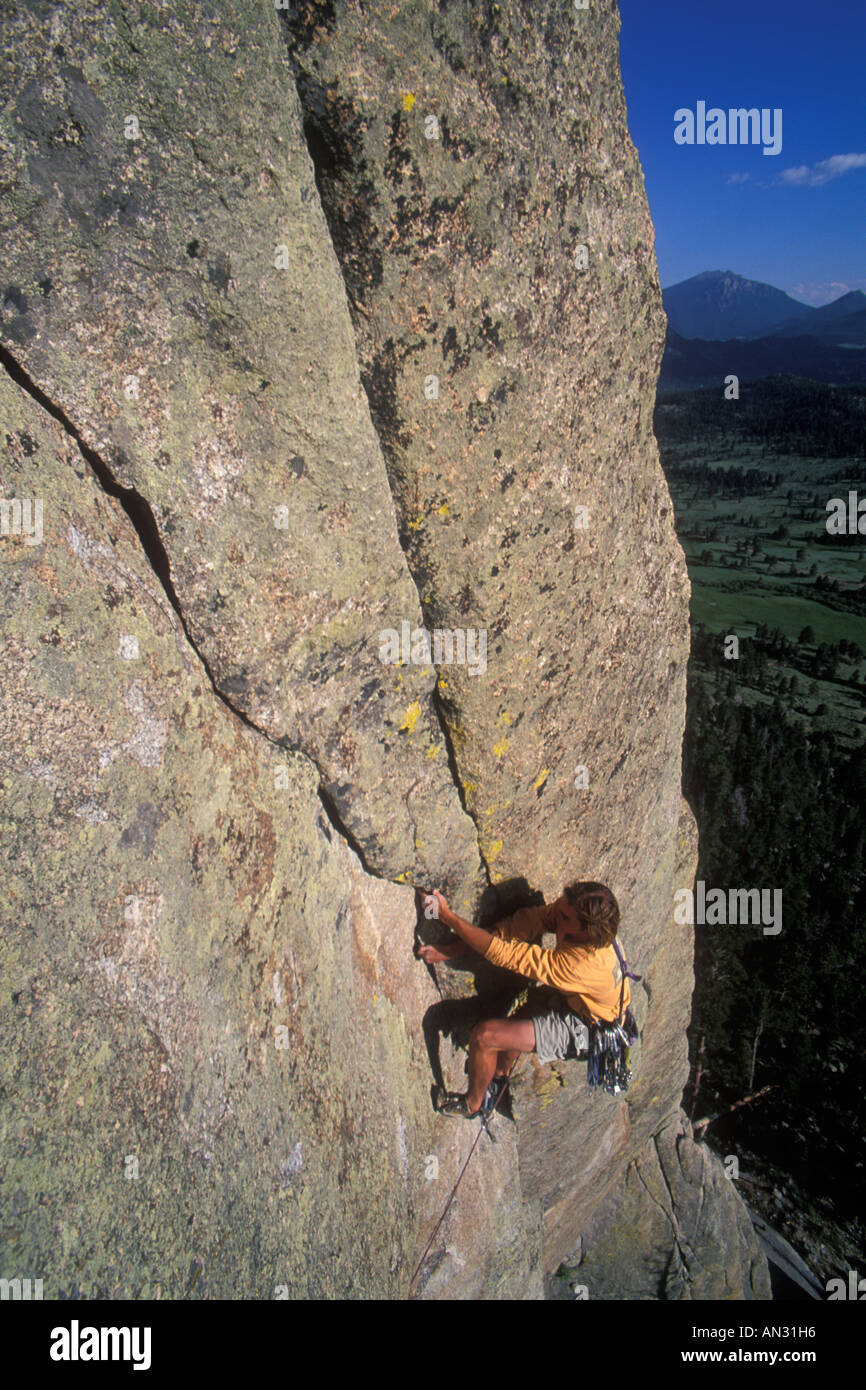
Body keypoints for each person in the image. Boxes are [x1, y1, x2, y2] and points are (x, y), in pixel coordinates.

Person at [419, 881, 629, 1118]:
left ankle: (473, 1104)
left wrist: (447, 916)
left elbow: (505, 955)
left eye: (565, 917)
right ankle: (497, 1076)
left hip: (586, 1028)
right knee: (515, 1028)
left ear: (586, 931)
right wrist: (455, 949)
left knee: (485, 1037)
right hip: (581, 999)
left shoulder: (580, 966)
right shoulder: (576, 915)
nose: (557, 912)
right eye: (561, 905)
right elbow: (527, 924)